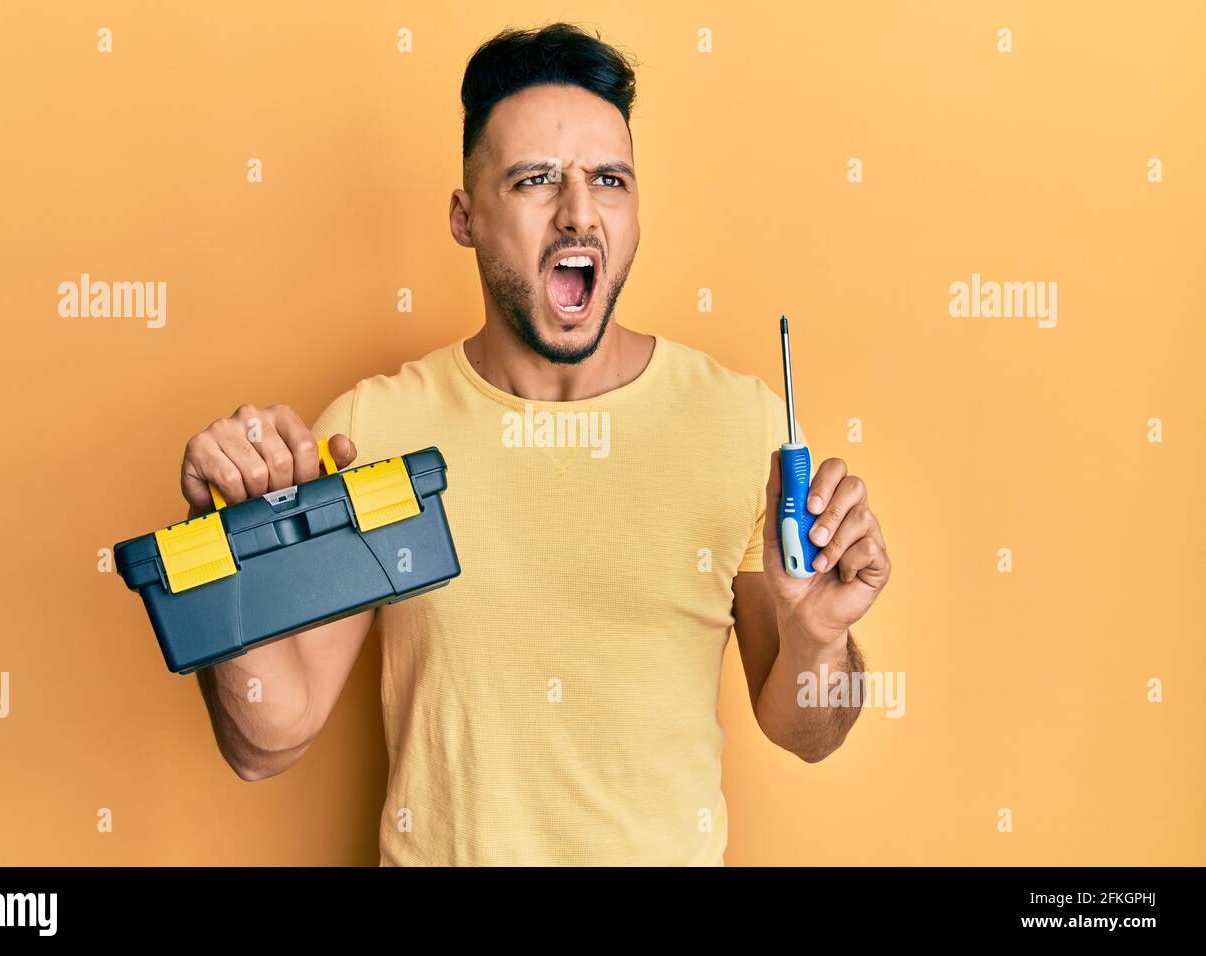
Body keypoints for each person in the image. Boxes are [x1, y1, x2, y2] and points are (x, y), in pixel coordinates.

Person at [183, 22, 891, 865]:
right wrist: (223, 551)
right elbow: (265, 742)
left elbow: (811, 734)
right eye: (534, 180)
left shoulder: (745, 428)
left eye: (609, 179)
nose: (579, 212)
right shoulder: (371, 434)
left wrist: (817, 638)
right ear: (465, 216)